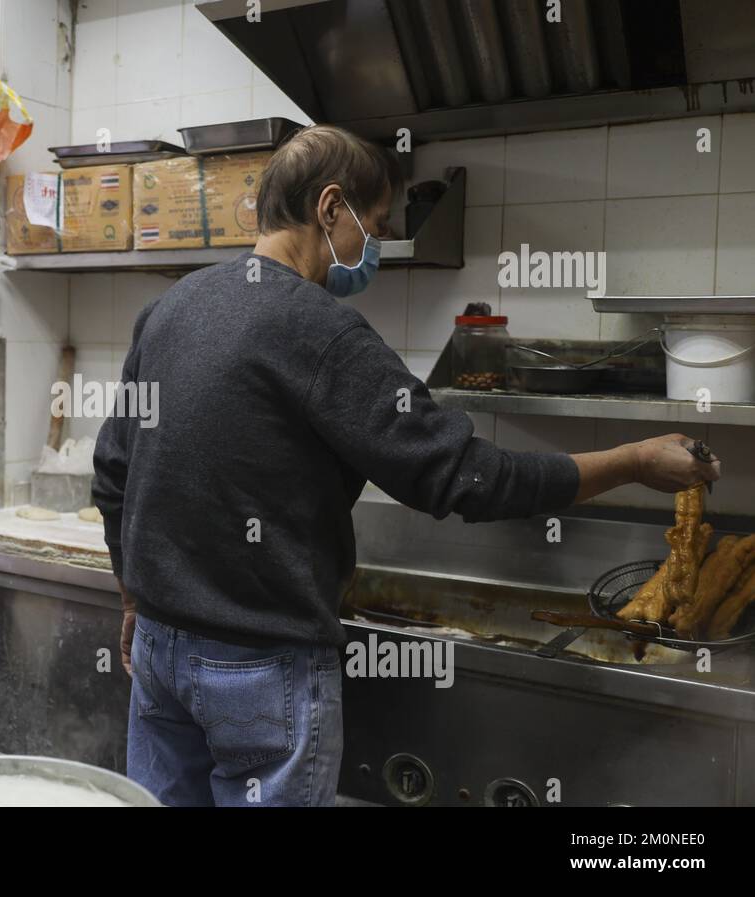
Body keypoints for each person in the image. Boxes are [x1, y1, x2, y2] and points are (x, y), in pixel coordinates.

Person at [91, 124, 721, 807]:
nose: (375, 248)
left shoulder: (170, 309)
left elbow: (113, 473)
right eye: (378, 225)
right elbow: (470, 478)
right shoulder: (322, 331)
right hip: (263, 668)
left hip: (158, 650)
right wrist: (632, 459)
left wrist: (134, 596)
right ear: (331, 209)